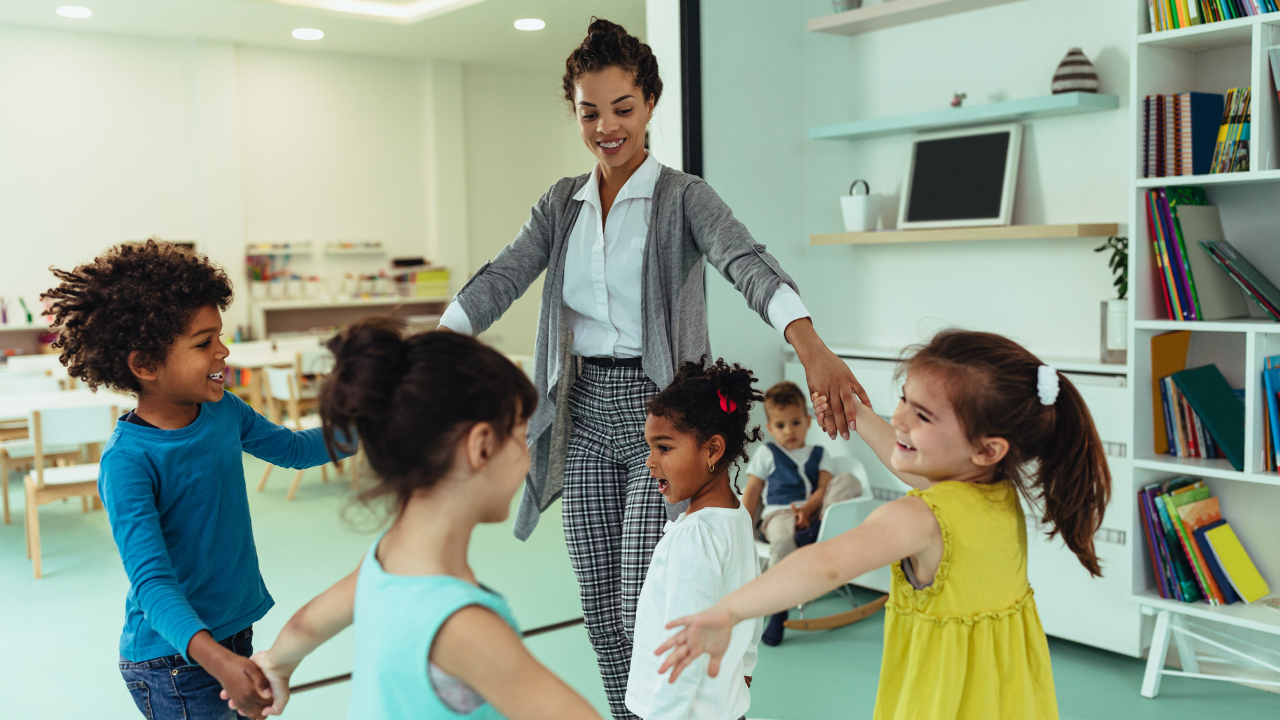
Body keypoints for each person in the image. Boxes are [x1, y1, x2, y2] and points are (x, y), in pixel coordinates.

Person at [436, 18, 869, 717]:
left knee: (647, 596)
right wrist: (439, 339)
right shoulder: (560, 205)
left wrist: (810, 343)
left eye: (622, 108)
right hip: (583, 415)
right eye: (589, 111)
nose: (606, 127)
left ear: (650, 104)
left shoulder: (683, 198)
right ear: (575, 112)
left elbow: (747, 263)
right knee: (602, 610)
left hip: (657, 416)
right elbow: (503, 276)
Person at [655, 330, 1113, 720]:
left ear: (987, 449)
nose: (899, 419)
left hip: (945, 699)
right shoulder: (996, 489)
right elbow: (906, 460)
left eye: (922, 415)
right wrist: (853, 410)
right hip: (1010, 695)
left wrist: (729, 610)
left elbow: (825, 564)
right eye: (903, 400)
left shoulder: (920, 517)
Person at [227, 319, 601, 720]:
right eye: (521, 436)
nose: (529, 455)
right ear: (481, 446)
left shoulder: (385, 561)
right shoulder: (463, 626)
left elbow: (305, 625)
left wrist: (276, 666)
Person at [41, 239, 346, 720]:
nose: (223, 351)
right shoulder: (128, 462)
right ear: (145, 365)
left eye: (218, 336)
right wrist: (217, 659)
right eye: (203, 343)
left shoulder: (223, 411)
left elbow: (294, 449)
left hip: (230, 635)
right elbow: (152, 583)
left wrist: (368, 424)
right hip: (174, 661)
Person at [625, 358, 764, 720]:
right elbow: (753, 606)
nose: (650, 462)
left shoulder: (694, 537)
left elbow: (684, 651)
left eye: (664, 448)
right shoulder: (737, 517)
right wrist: (745, 669)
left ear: (712, 450)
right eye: (650, 447)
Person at [741, 380, 861, 646]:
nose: (789, 431)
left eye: (796, 423)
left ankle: (812, 530)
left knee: (849, 481)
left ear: (808, 422)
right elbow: (752, 491)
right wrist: (741, 527)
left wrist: (809, 508)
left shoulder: (819, 453)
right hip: (779, 515)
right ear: (771, 428)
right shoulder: (767, 453)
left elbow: (824, 486)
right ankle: (779, 608)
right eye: (781, 426)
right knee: (783, 540)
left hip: (815, 510)